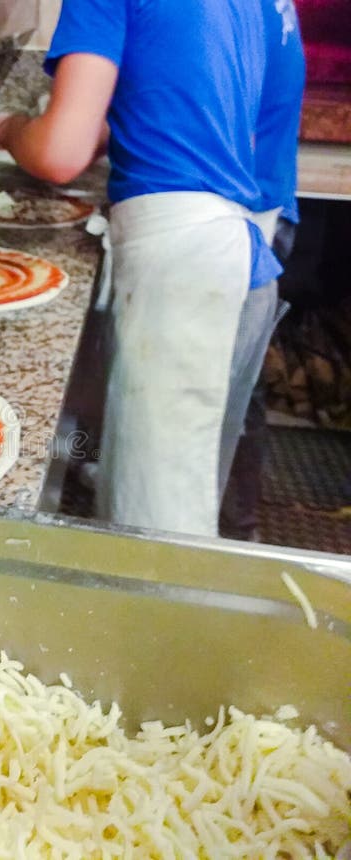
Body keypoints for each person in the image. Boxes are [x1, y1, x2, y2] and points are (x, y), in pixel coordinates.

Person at [0, 0, 304, 537]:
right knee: (189, 492)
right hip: (241, 256)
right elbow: (183, 106)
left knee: (156, 528)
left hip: (183, 266)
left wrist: (7, 128)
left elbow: (62, 151)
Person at [220, 0, 306, 541]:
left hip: (247, 214)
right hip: (262, 204)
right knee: (235, 384)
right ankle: (235, 525)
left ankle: (235, 533)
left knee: (234, 390)